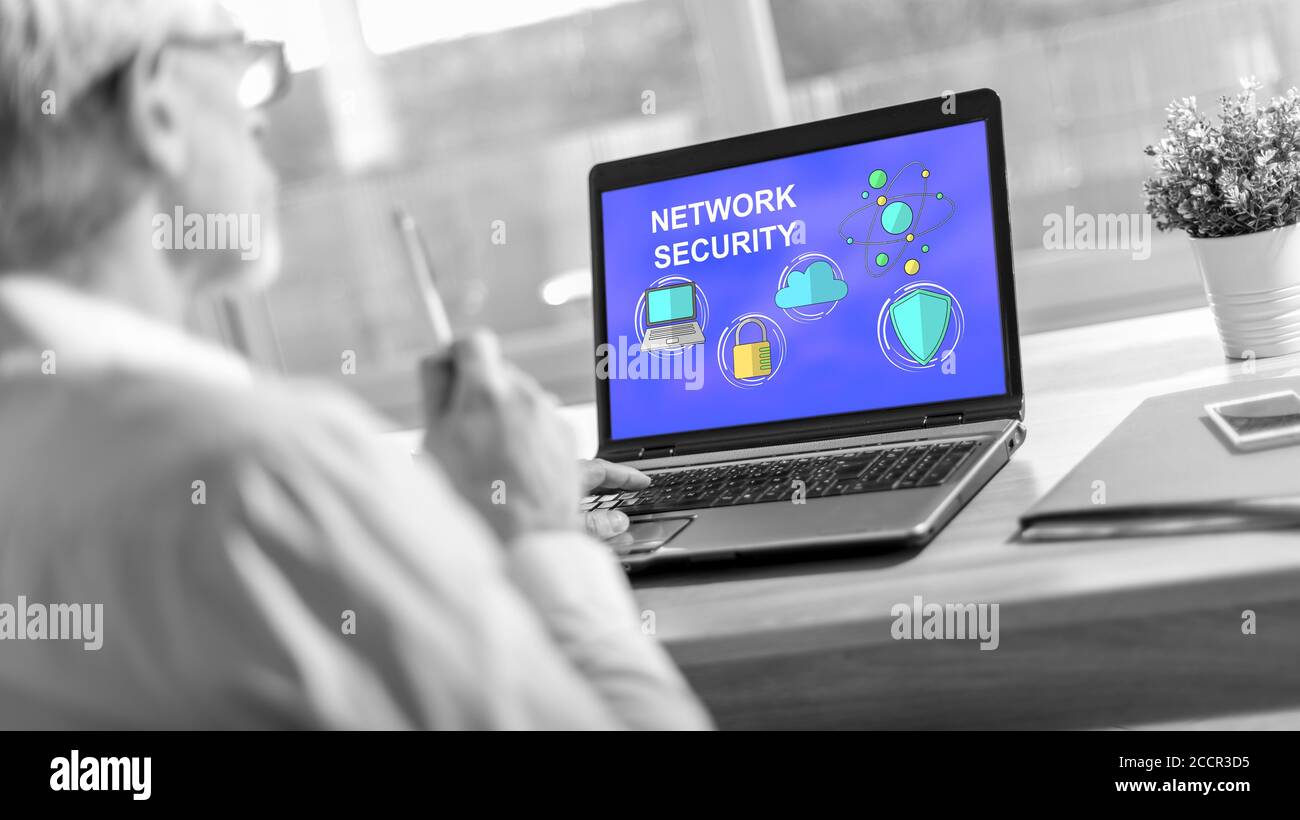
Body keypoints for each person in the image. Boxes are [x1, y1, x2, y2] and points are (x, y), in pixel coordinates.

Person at [0, 0, 711, 729]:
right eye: (240, 61)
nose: (262, 116)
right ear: (157, 106)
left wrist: (414, 525)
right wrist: (540, 533)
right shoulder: (267, 476)